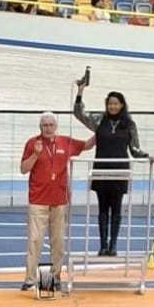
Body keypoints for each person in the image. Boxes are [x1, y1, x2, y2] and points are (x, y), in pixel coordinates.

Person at [19, 112, 94, 292]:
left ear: (56, 126)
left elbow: (87, 145)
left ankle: (55, 277)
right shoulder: (32, 143)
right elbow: (23, 169)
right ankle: (30, 279)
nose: (48, 128)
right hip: (38, 200)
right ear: (40, 127)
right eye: (44, 125)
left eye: (50, 125)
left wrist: (103, 128)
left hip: (59, 200)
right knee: (35, 240)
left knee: (58, 241)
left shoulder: (65, 142)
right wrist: (36, 154)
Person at [73, 88, 150, 258]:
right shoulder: (99, 120)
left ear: (122, 105)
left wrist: (146, 157)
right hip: (101, 170)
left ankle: (113, 244)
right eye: (110, 103)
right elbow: (79, 114)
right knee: (102, 209)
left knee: (116, 209)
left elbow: (135, 148)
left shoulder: (129, 124)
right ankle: (103, 245)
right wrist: (80, 93)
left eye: (115, 103)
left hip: (120, 171)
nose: (112, 106)